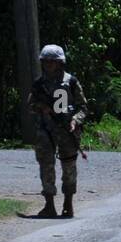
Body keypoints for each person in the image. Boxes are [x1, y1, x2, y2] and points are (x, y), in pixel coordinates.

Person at [27, 44, 88, 218]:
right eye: (45, 62)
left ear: (60, 63)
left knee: (69, 166)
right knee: (46, 165)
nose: (49, 65)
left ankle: (68, 203)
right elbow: (30, 105)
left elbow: (83, 107)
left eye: (52, 62)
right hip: (46, 130)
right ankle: (49, 205)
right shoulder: (39, 84)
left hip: (67, 130)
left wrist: (75, 121)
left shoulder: (71, 82)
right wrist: (42, 107)